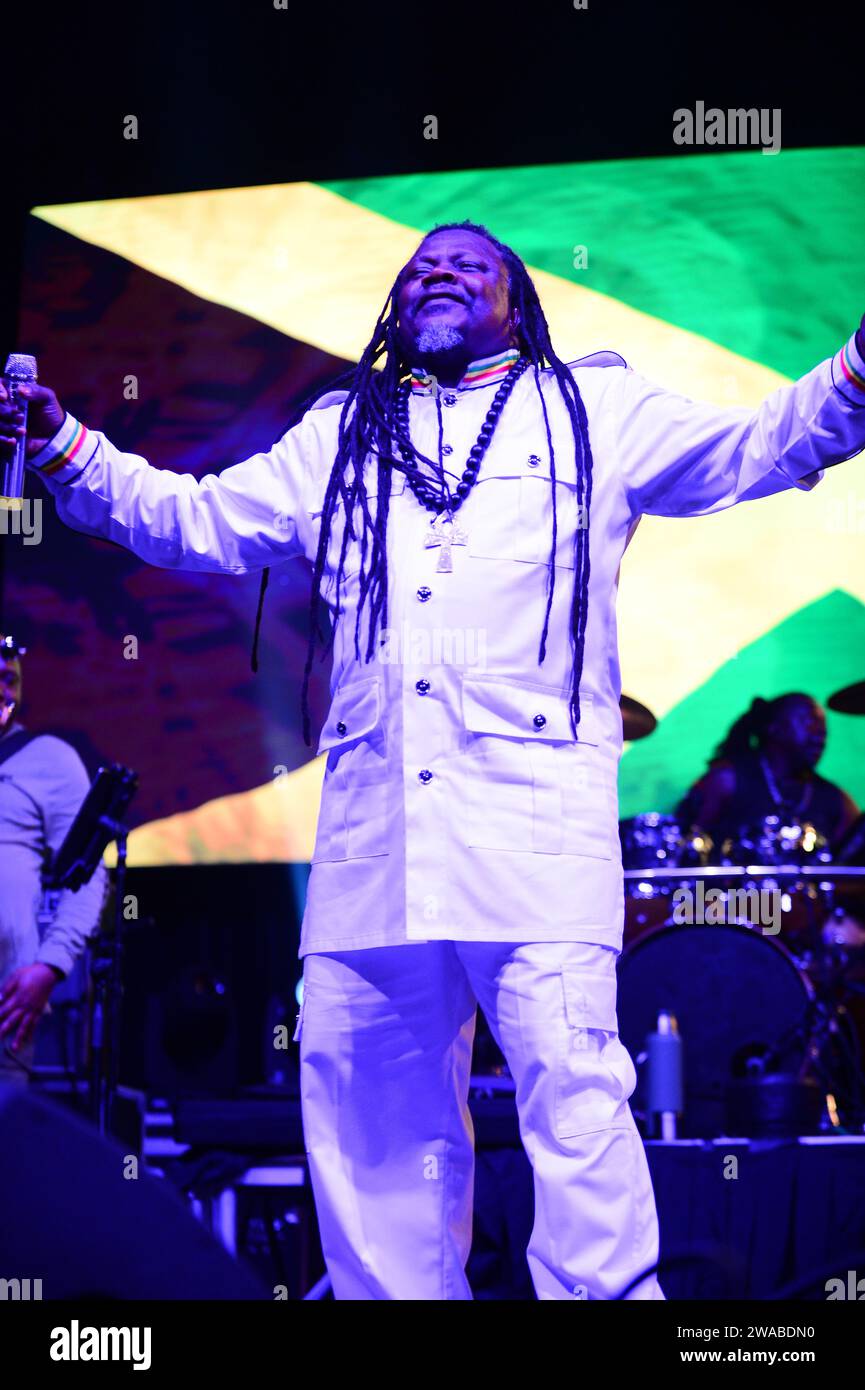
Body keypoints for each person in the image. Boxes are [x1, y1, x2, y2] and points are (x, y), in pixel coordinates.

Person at [2, 220, 864, 1300]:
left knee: (575, 1106)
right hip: (374, 851)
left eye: (468, 264)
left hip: (533, 837)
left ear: (517, 300)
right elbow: (194, 521)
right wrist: (62, 443)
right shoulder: (340, 434)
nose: (437, 273)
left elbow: (759, 444)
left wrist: (858, 367)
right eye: (418, 267)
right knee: (366, 1131)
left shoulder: (594, 407)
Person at [0, 635, 107, 1084]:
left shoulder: (50, 760)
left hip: (6, 1003)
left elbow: (87, 874)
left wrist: (51, 965)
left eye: (9, 680)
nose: (4, 692)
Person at [675, 692, 860, 851]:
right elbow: (686, 847)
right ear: (774, 728)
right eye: (808, 721)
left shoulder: (834, 798)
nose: (819, 734)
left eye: (823, 727)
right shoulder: (726, 780)